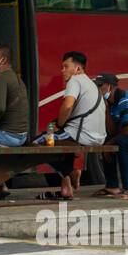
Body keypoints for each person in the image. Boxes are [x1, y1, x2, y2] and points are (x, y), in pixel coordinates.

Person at [37, 51, 107, 200]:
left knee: (38, 143)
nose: (62, 70)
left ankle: (71, 172)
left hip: (82, 134)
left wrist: (60, 125)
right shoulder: (92, 84)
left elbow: (68, 106)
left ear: (77, 68)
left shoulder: (75, 81)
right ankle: (66, 189)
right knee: (61, 144)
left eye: (65, 66)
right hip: (98, 137)